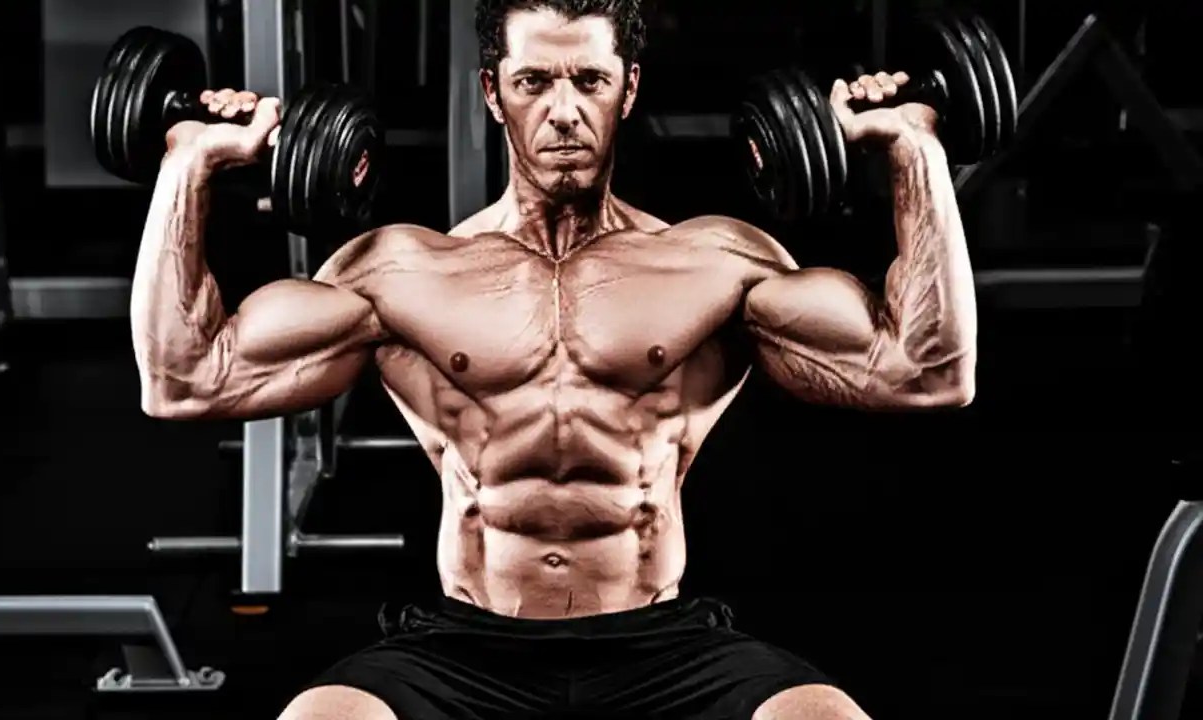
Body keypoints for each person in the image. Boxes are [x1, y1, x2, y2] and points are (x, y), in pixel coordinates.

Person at [131, 1, 975, 717]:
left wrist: (913, 151)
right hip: (465, 644)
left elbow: (926, 371)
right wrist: (188, 165)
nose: (563, 111)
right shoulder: (401, 271)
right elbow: (185, 379)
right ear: (492, 93)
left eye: (590, 81)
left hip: (661, 641)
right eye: (534, 82)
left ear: (628, 90)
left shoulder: (716, 262)